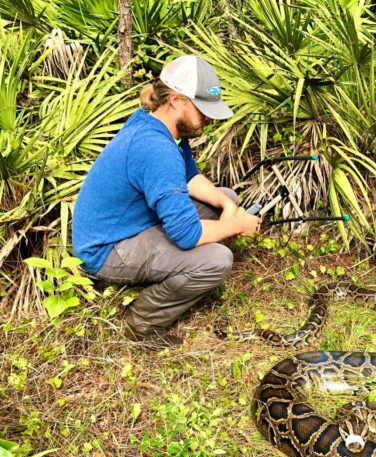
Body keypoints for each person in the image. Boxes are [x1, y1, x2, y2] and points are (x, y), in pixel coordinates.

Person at [72, 55, 261, 348]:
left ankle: (182, 271)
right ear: (176, 100)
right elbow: (186, 235)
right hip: (108, 248)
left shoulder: (166, 128)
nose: (208, 119)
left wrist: (227, 209)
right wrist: (237, 224)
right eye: (203, 110)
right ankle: (142, 323)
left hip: (135, 222)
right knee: (217, 260)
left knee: (227, 198)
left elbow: (189, 177)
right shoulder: (154, 148)